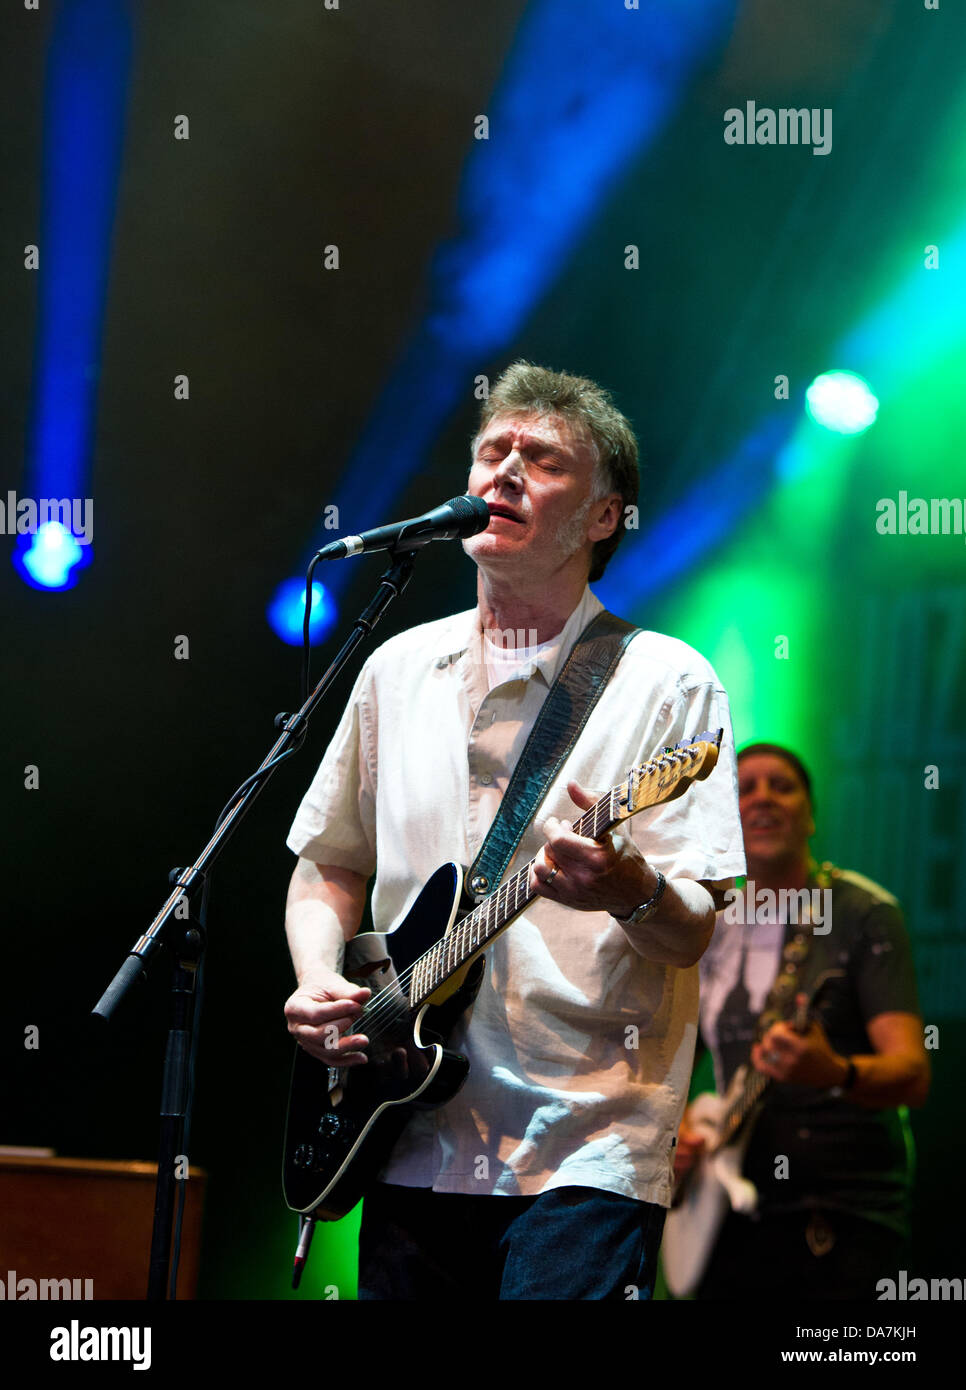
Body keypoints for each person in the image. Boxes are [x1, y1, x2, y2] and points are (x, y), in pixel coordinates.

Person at [282, 361, 746, 1300]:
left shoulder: (667, 683)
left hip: (588, 1143)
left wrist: (628, 887)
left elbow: (694, 928)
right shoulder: (397, 669)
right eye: (491, 451)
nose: (504, 472)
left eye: (542, 460)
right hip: (409, 1130)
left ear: (606, 515)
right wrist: (320, 981)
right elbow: (327, 863)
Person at [673, 742, 930, 1300]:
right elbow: (668, 1073)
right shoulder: (707, 929)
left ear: (811, 815)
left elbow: (912, 1075)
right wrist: (680, 1137)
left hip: (835, 1213)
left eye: (782, 786)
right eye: (744, 788)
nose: (762, 799)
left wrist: (835, 1070)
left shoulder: (862, 913)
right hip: (729, 1217)